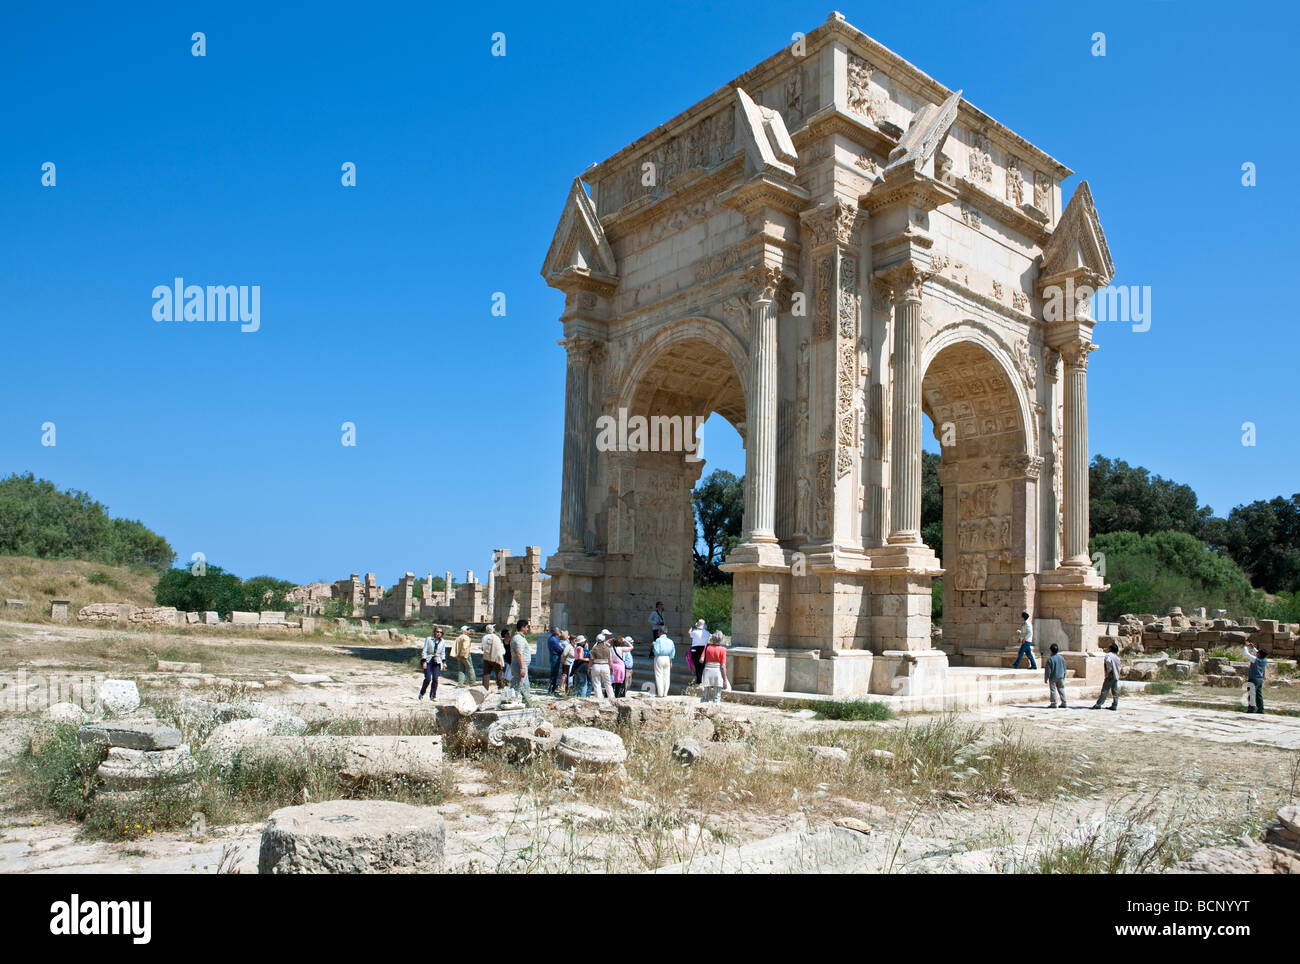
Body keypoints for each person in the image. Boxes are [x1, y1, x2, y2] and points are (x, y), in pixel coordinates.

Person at [699, 631, 729, 704]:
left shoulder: (706, 647)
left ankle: (703, 709)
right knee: (717, 696)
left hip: (707, 671)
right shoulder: (723, 650)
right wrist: (725, 680)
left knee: (705, 696)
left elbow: (701, 660)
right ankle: (715, 709)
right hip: (717, 672)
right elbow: (722, 666)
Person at [419, 627, 447, 700]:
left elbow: (443, 653)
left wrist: (444, 662)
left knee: (435, 679)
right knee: (428, 678)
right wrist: (424, 661)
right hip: (428, 660)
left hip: (437, 661)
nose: (438, 633)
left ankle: (433, 695)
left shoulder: (443, 641)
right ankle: (422, 693)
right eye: (437, 632)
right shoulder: (429, 639)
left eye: (440, 632)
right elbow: (424, 650)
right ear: (434, 632)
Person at [509, 619, 533, 706]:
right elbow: (519, 653)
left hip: (519, 664)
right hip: (520, 665)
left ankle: (527, 703)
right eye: (527, 627)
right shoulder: (518, 639)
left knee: (522, 685)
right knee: (518, 686)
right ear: (522, 627)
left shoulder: (518, 638)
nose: (528, 629)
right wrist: (522, 668)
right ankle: (510, 701)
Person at [1091, 642, 1121, 710]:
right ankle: (1115, 705)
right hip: (1116, 675)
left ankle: (1098, 704)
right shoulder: (1117, 657)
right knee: (1115, 691)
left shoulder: (1109, 655)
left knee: (1105, 690)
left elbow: (1108, 661)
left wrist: (1108, 670)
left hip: (1110, 674)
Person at [1243, 643, 1269, 714]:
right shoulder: (1264, 660)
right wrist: (1253, 648)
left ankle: (1251, 709)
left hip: (1253, 679)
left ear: (1259, 654)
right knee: (1258, 695)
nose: (1256, 653)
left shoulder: (1255, 660)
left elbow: (1247, 654)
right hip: (1260, 680)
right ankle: (1261, 709)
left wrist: (1245, 647)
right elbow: (1259, 653)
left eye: (1258, 652)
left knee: (1251, 693)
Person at [480, 623, 506, 692]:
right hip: (495, 657)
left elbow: (482, 648)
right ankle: (500, 688)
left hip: (486, 657)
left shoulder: (484, 637)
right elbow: (501, 649)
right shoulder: (496, 637)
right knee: (499, 672)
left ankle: (485, 689)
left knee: (486, 673)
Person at [652, 628, 675, 698]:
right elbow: (673, 652)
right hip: (667, 658)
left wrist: (653, 645)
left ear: (661, 632)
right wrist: (671, 661)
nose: (658, 632)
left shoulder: (658, 640)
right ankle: (665, 693)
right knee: (667, 676)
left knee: (659, 675)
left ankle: (660, 693)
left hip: (659, 658)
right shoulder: (670, 641)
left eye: (658, 631)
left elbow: (656, 651)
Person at [590, 632, 614, 699]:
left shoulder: (593, 649)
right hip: (605, 665)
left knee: (597, 683)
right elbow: (610, 660)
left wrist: (589, 668)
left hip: (596, 665)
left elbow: (591, 660)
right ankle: (611, 697)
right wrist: (612, 668)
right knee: (608, 683)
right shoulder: (607, 649)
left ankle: (599, 698)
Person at [1044, 643, 1067, 708]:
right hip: (1061, 677)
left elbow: (1048, 670)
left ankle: (1054, 703)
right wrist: (1064, 676)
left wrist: (1046, 678)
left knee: (1053, 690)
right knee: (1061, 689)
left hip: (1053, 677)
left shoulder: (1050, 659)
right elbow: (1064, 668)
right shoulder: (1062, 658)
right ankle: (1064, 702)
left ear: (1051, 650)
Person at [688, 619, 710, 685]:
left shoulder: (694, 632)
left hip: (695, 649)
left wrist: (691, 628)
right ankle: (701, 679)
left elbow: (689, 633)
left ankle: (699, 680)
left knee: (697, 665)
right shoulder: (707, 632)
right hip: (704, 648)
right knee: (702, 665)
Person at [547, 627, 565, 694]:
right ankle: (551, 690)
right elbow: (559, 649)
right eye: (558, 631)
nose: (559, 632)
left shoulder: (553, 638)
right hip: (555, 656)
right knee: (554, 673)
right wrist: (563, 650)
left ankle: (552, 689)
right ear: (555, 632)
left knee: (554, 673)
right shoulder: (553, 639)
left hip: (554, 656)